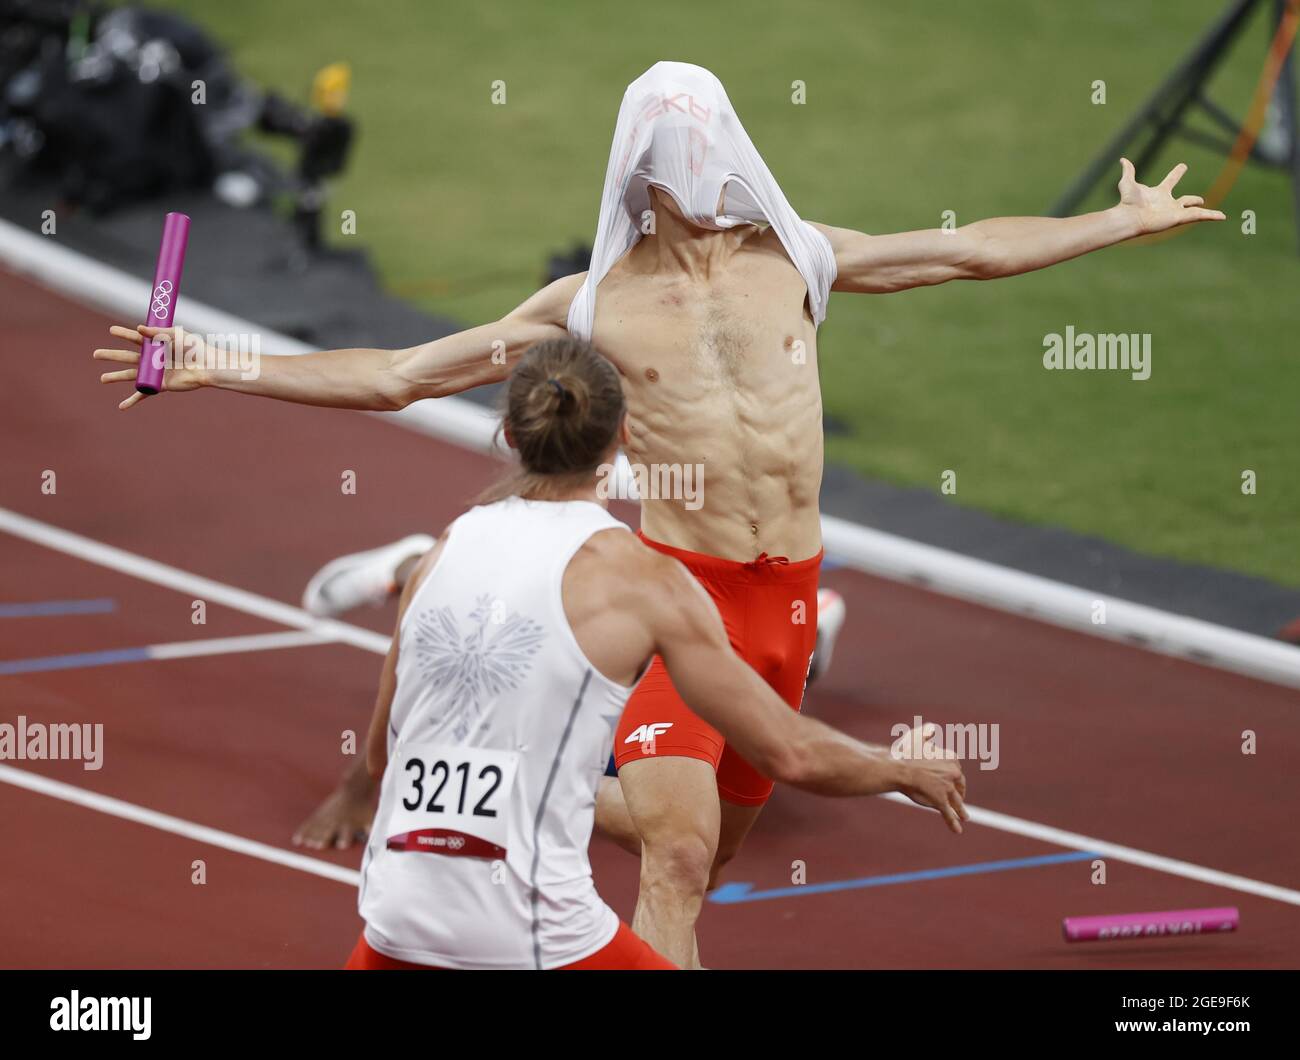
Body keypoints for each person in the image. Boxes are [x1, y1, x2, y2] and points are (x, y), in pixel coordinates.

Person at [94, 61, 1221, 966]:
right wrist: (217, 362)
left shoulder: (797, 258)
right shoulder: (589, 305)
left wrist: (1117, 226)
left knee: (709, 850)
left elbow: (969, 249)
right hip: (686, 603)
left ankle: (554, 777)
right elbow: (398, 374)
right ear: (642, 161)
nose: (706, 153)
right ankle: (560, 768)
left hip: (786, 605)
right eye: (680, 135)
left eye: (714, 129)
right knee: (677, 862)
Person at [344, 336, 966, 969]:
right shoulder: (644, 578)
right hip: (533, 936)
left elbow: (377, 755)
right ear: (625, 437)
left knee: (696, 848)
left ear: (508, 433)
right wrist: (897, 768)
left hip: (390, 923)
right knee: (677, 857)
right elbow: (789, 752)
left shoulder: (446, 548)